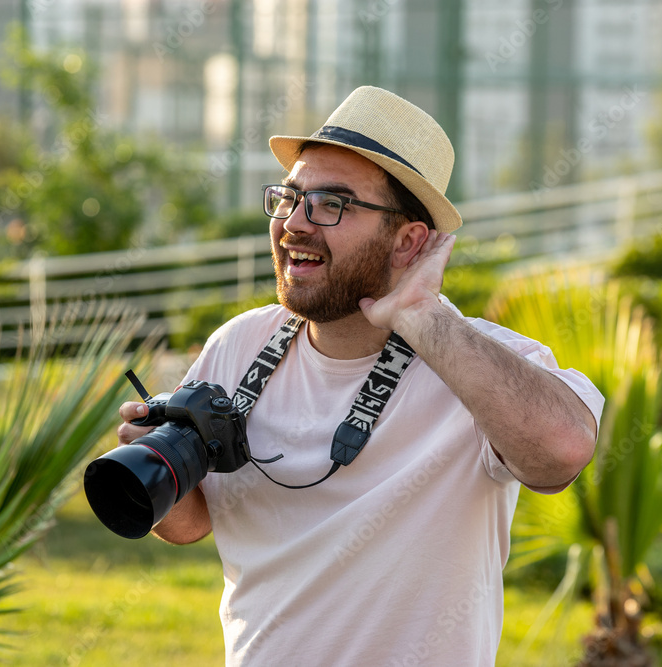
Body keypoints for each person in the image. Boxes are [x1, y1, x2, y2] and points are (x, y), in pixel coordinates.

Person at [117, 86, 604, 666]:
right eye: (290, 198)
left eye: (332, 204)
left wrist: (422, 319)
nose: (295, 224)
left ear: (409, 241)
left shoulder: (481, 364)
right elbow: (193, 522)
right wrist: (154, 464)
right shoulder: (239, 345)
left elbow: (564, 453)